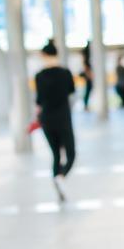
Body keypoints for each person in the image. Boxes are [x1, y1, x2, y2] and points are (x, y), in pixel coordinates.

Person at [35, 39, 76, 202]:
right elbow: (71, 91)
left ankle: (58, 185)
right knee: (71, 153)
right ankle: (62, 176)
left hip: (46, 120)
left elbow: (39, 101)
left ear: (44, 56)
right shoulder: (65, 73)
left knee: (56, 155)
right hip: (63, 118)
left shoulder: (39, 76)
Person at [80, 41, 93, 111]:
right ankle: (85, 104)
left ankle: (86, 104)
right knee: (88, 90)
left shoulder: (87, 58)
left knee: (88, 90)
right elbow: (86, 66)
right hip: (88, 76)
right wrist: (89, 75)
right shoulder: (86, 59)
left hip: (88, 75)